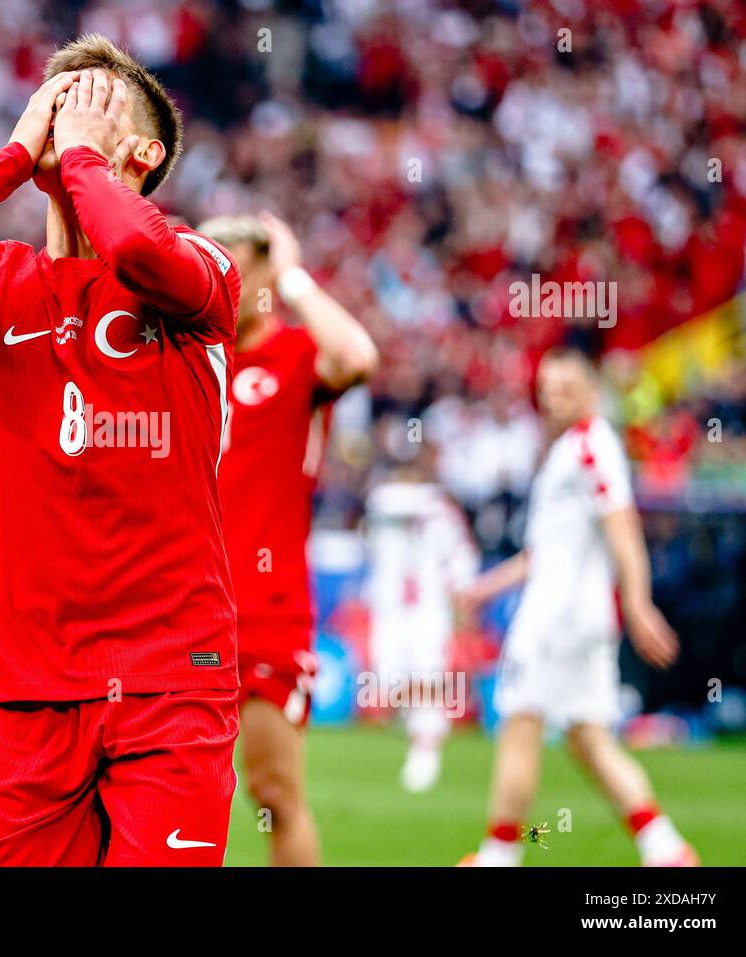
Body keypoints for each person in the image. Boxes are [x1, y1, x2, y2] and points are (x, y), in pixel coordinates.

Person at [0, 35, 242, 866]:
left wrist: (86, 163)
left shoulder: (199, 267)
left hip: (172, 679)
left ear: (146, 150)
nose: (67, 118)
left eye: (91, 103)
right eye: (54, 102)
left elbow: (133, 250)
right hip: (25, 690)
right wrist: (11, 157)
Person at [457, 348, 698, 867]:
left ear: (591, 392)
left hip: (555, 619)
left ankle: (498, 855)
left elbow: (622, 524)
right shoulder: (571, 448)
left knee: (521, 721)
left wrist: (638, 603)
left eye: (565, 388)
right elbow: (543, 553)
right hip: (580, 620)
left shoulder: (591, 445)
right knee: (589, 737)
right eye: (546, 388)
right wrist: (486, 589)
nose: (552, 398)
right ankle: (666, 849)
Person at [197, 213, 377, 865]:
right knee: (172, 792)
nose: (223, 280)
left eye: (236, 267)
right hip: (181, 611)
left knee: (272, 791)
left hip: (265, 609)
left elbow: (357, 357)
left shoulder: (296, 355)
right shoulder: (195, 357)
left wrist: (296, 275)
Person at [363, 446, 478, 793]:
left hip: (428, 609)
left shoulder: (442, 515)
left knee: (427, 675)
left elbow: (461, 560)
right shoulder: (387, 504)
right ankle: (419, 727)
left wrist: (462, 597)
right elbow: (384, 503)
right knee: (390, 680)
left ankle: (426, 745)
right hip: (389, 610)